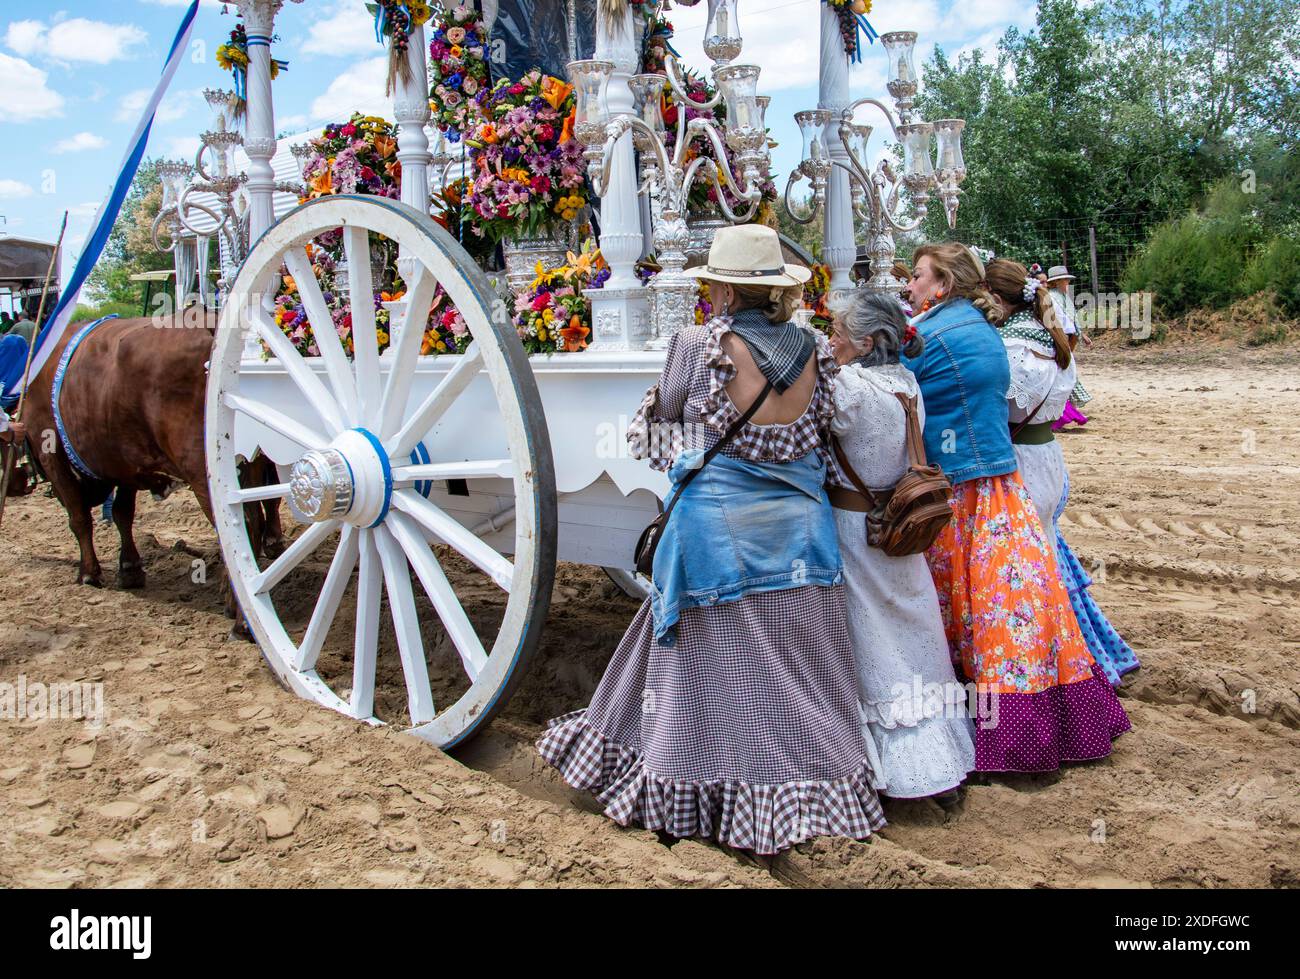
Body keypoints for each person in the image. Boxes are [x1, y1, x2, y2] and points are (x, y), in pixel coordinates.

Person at [537, 224, 887, 854]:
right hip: (803, 534)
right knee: (803, 677)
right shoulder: (815, 351)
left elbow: (660, 427)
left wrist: (685, 443)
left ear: (723, 288)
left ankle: (692, 796)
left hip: (717, 536)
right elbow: (823, 436)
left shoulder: (698, 345)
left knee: (705, 678)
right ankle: (814, 795)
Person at [901, 242, 1129, 773]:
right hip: (1005, 483)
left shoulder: (929, 335)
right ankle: (1056, 719)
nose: (909, 287)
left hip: (963, 488)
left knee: (977, 610)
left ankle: (1009, 737)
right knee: (1022, 601)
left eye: (917, 277)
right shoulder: (984, 329)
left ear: (943, 286)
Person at [826, 290, 976, 800]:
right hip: (902, 521)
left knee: (869, 636)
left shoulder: (848, 387)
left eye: (839, 332)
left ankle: (899, 766)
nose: (831, 340)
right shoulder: (906, 383)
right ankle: (942, 747)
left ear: (866, 341)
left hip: (855, 526)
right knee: (913, 630)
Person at [985, 259, 1140, 685]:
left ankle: (1054, 662)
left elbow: (1004, 409)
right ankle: (1082, 652)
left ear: (998, 300)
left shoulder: (1014, 350)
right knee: (1048, 556)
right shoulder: (1053, 340)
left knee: (1031, 567)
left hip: (1023, 462)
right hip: (1050, 457)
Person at [1045, 264, 1093, 430]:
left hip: (1066, 339)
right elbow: (1059, 322)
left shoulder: (1063, 297)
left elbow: (1071, 321)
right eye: (1065, 280)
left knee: (1067, 375)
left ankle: (1066, 413)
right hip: (1059, 341)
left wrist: (1081, 335)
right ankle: (1060, 416)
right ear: (1057, 282)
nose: (1067, 283)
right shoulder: (1052, 298)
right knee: (1063, 376)